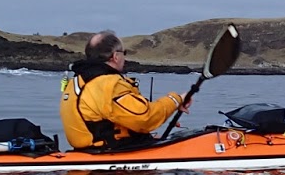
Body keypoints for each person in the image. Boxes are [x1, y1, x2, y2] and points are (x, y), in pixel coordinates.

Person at [59, 30, 193, 150]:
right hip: (111, 164)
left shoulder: (76, 82)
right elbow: (145, 118)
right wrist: (176, 99)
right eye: (124, 53)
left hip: (90, 152)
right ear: (115, 56)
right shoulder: (107, 85)